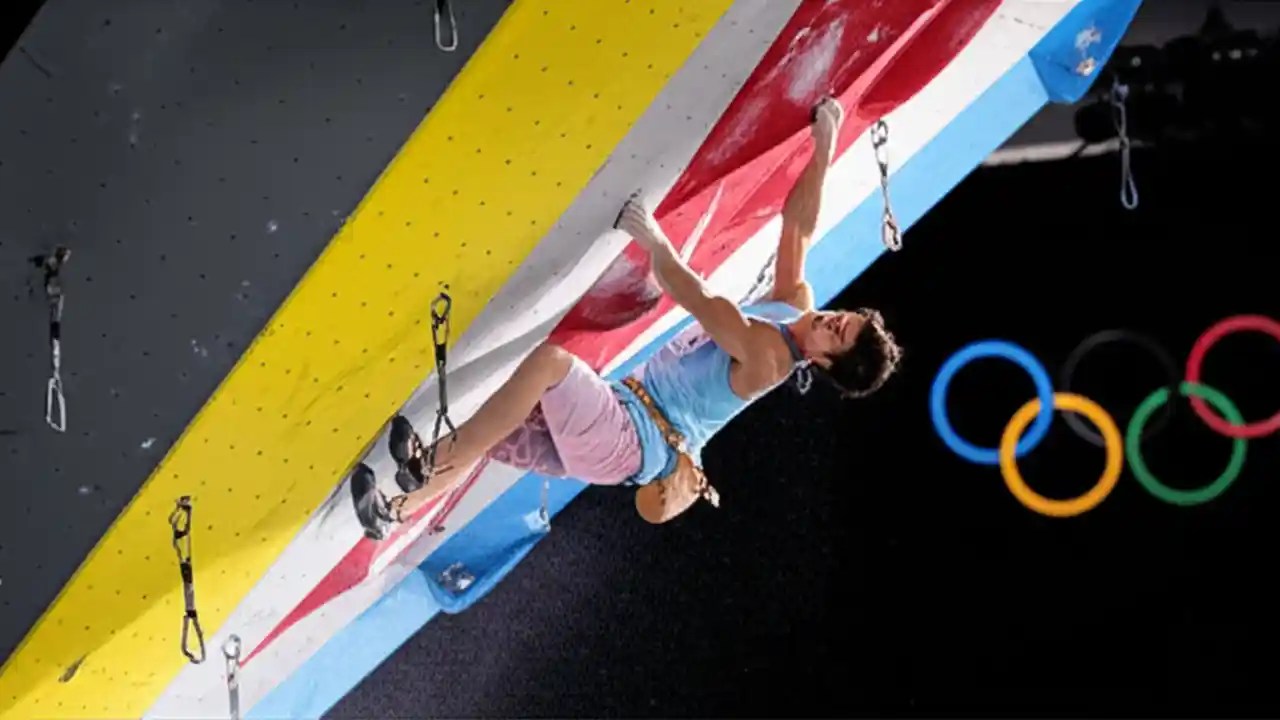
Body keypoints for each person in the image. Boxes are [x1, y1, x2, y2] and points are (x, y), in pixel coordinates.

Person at [352, 97, 902, 538]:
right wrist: (825, 144)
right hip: (622, 421)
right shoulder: (796, 309)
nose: (832, 320)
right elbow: (798, 228)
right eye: (844, 317)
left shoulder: (769, 357)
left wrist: (652, 238)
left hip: (631, 442)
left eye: (838, 334)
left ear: (827, 361)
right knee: (496, 420)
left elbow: (701, 301)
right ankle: (424, 470)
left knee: (549, 366)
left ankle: (407, 501)